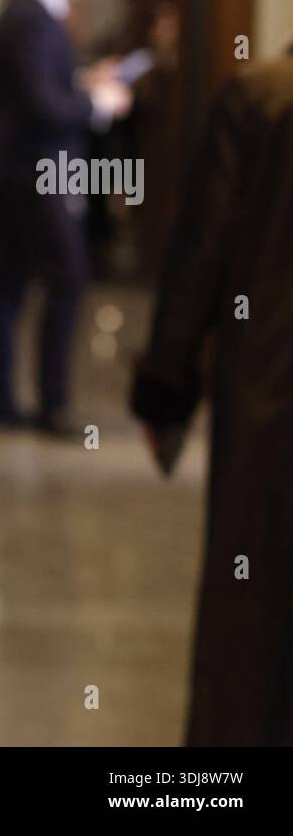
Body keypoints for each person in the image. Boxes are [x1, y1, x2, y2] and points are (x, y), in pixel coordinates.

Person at [132, 51, 293, 745]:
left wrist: (166, 387)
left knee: (251, 623)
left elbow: (202, 253)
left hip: (271, 398)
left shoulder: (262, 98)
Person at [0, 0, 131, 433]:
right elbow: (41, 104)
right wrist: (97, 103)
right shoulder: (32, 14)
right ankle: (52, 404)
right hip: (37, 171)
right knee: (66, 277)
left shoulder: (29, 10)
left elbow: (37, 86)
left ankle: (1, 401)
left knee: (13, 280)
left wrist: (82, 81)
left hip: (25, 167)